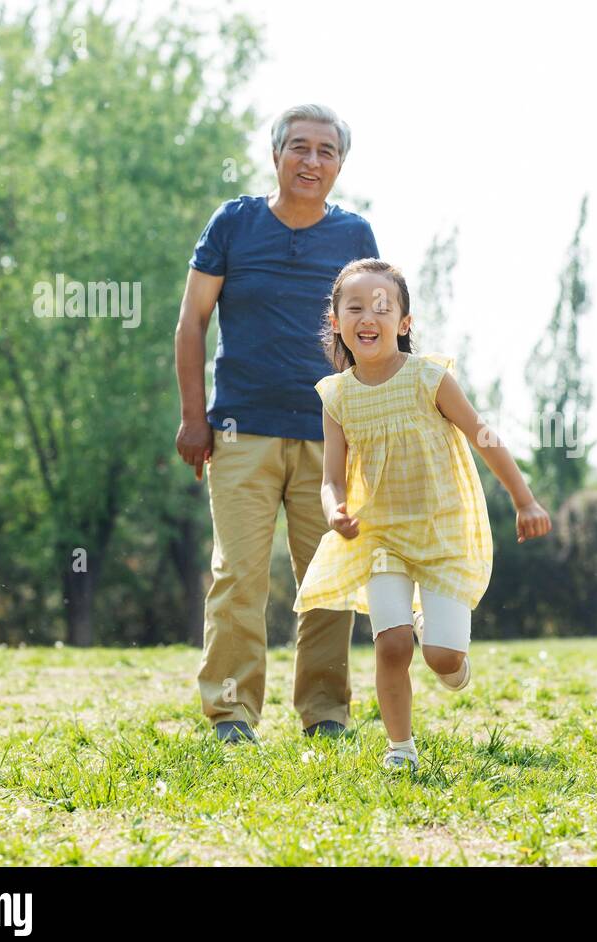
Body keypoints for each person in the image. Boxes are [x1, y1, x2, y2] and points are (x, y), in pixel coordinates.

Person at [295, 259, 552, 770]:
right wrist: (334, 511)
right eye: (355, 307)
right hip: (381, 536)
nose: (368, 316)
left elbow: (483, 435)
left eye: (382, 307)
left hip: (443, 532)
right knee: (391, 646)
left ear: (404, 323)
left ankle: (448, 654)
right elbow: (330, 477)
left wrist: (525, 499)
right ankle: (400, 748)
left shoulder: (428, 378)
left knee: (441, 657)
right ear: (337, 321)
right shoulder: (336, 396)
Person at [176, 103, 379, 744]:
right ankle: (231, 715)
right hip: (241, 430)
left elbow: (375, 334)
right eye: (299, 147)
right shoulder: (233, 224)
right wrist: (193, 418)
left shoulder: (354, 236)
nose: (311, 161)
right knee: (238, 574)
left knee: (328, 579)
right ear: (275, 155)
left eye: (325, 151)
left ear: (340, 164)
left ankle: (325, 714)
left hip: (332, 436)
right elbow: (191, 324)